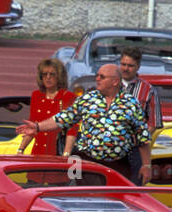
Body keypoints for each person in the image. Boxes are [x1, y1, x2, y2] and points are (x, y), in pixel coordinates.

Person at [16, 63, 151, 182]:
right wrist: (38, 127)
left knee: (114, 204)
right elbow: (63, 119)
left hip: (119, 165)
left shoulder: (131, 103)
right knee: (86, 201)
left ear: (115, 81)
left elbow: (142, 137)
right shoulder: (88, 99)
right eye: (97, 76)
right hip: (88, 163)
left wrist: (146, 166)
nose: (97, 79)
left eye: (102, 77)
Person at [117, 47, 162, 180]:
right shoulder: (109, 85)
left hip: (135, 151)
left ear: (138, 67)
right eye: (123, 64)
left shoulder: (148, 90)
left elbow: (153, 123)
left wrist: (138, 139)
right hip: (109, 147)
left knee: (133, 188)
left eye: (130, 66)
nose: (126, 68)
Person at [17, 57, 74, 155]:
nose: (48, 77)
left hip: (56, 152)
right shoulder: (36, 95)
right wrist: (20, 150)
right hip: (37, 151)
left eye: (52, 74)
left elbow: (72, 129)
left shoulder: (68, 97)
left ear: (59, 76)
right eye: (44, 74)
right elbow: (32, 126)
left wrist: (66, 154)